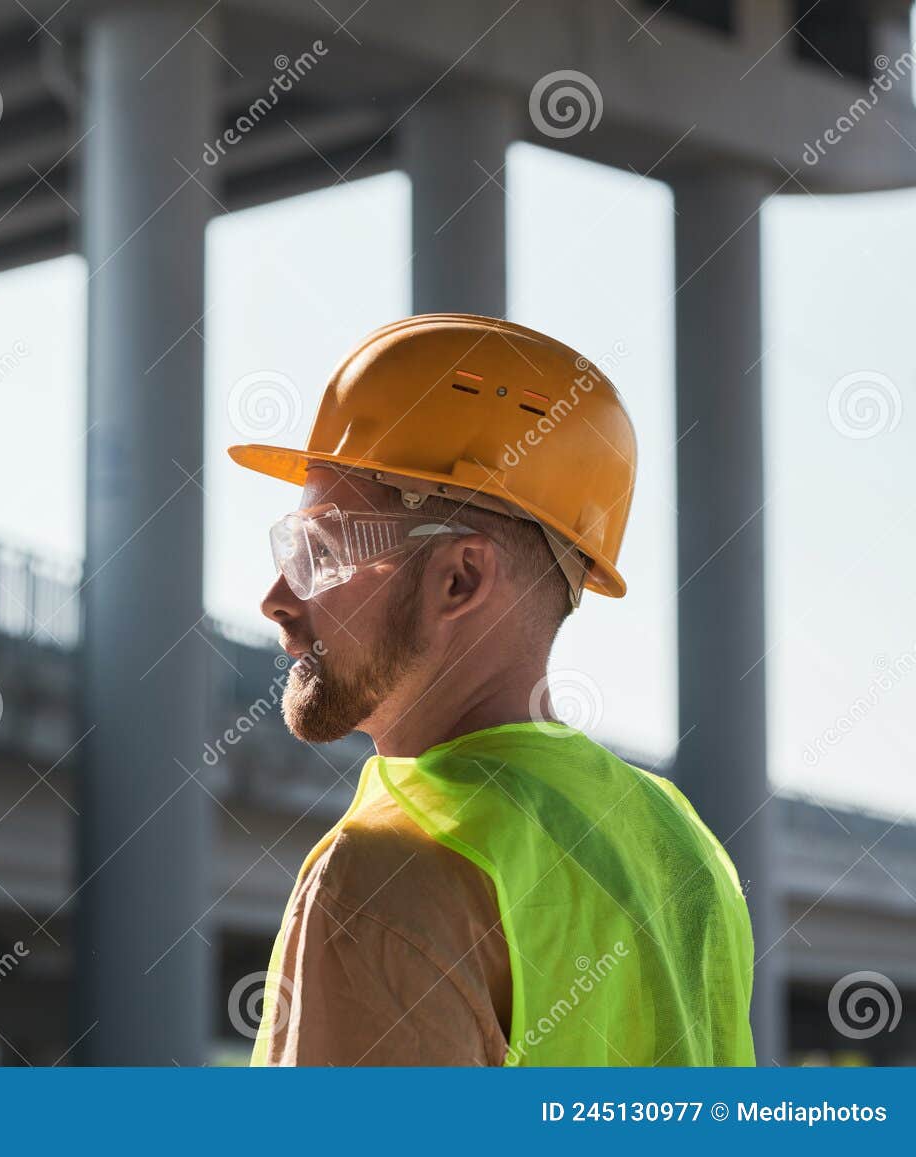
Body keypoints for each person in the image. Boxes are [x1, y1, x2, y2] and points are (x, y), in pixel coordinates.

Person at [229, 314, 755, 1066]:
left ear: (460, 578)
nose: (279, 597)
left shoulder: (384, 871)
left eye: (323, 550)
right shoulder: (681, 848)